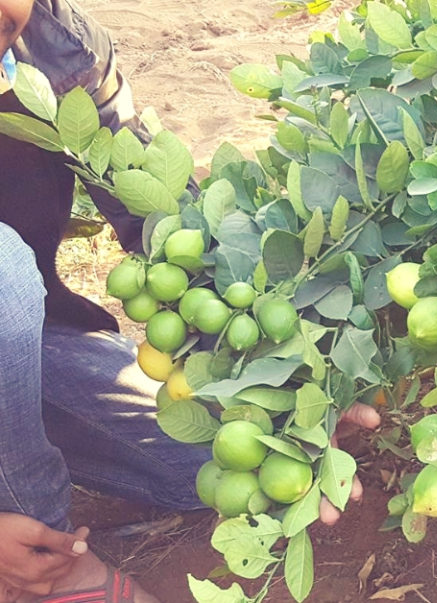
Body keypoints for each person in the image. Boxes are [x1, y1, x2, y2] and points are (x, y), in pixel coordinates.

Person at [0, 1, 380, 600]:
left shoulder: (57, 49)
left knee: (208, 457)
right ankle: (45, 566)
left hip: (23, 334)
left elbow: (162, 220)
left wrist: (284, 379)